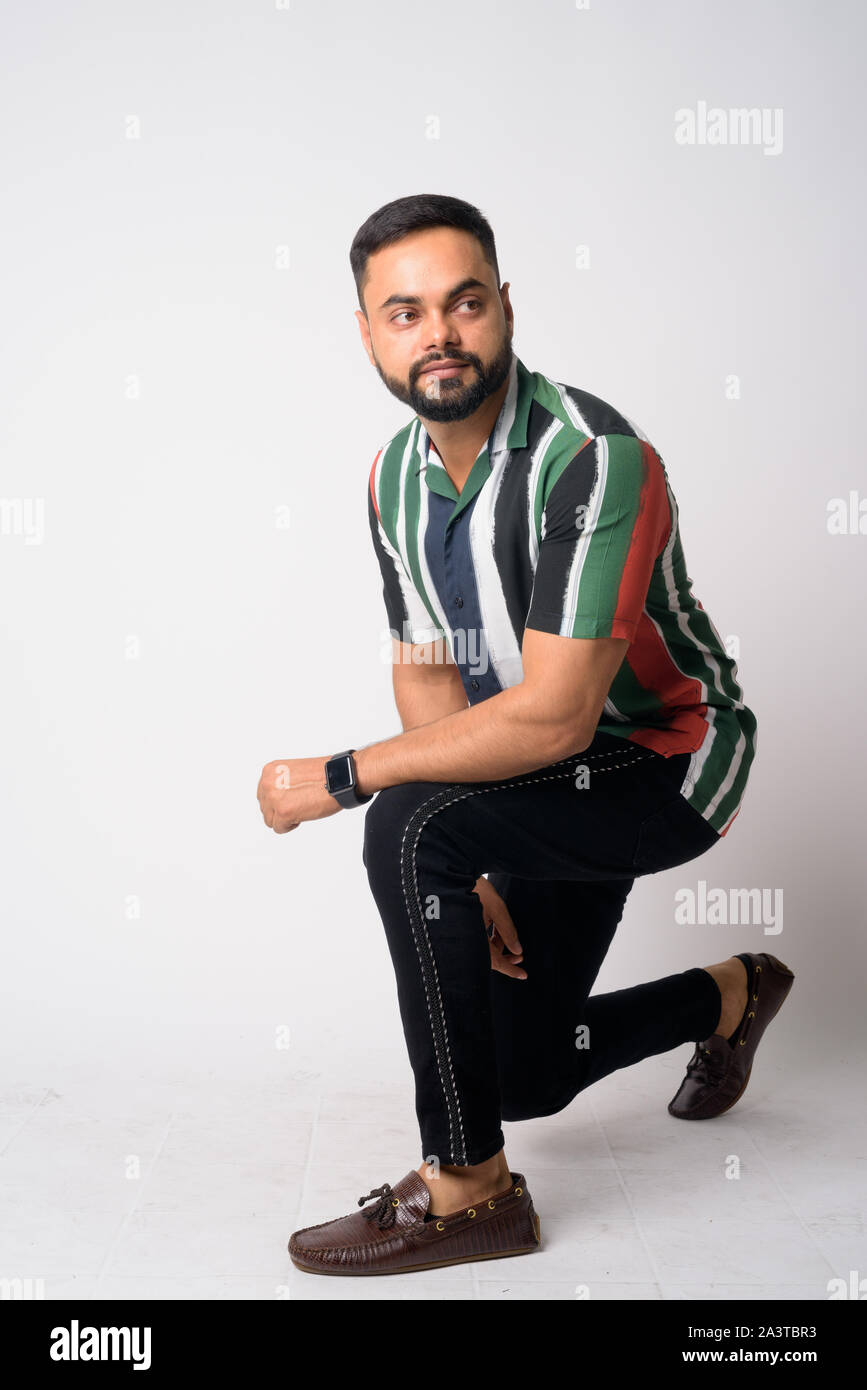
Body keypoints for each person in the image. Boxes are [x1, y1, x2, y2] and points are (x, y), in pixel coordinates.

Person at [256, 193, 794, 1278]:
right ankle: (731, 993)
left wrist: (346, 776)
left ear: (504, 306)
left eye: (463, 302)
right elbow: (429, 661)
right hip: (542, 776)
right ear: (366, 332)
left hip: (666, 762)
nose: (438, 333)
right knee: (524, 1073)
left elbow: (556, 710)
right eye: (403, 313)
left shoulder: (594, 456)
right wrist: (488, 853)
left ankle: (469, 1189)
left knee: (404, 826)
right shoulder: (391, 476)